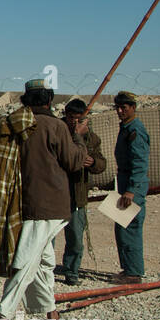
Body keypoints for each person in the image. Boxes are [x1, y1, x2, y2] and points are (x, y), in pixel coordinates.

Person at [0, 79, 90, 320]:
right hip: (50, 205)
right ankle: (3, 319)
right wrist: (78, 136)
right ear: (48, 100)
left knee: (45, 262)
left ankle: (52, 316)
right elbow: (74, 161)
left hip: (23, 201)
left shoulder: (16, 124)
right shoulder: (55, 126)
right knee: (27, 263)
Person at [59, 98, 106, 286]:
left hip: (77, 194)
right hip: (55, 193)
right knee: (46, 238)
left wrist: (93, 163)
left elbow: (101, 163)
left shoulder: (91, 138)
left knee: (76, 238)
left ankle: (71, 271)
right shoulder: (57, 132)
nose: (74, 123)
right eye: (71, 118)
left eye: (79, 119)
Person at [112, 91, 150, 284]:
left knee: (130, 226)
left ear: (133, 108)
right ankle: (128, 268)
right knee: (122, 226)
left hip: (132, 184)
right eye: (117, 108)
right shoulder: (127, 127)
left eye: (124, 108)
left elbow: (140, 162)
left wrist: (131, 190)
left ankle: (134, 274)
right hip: (126, 181)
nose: (120, 111)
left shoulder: (135, 130)